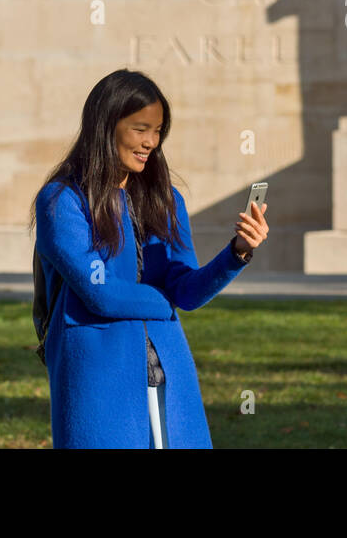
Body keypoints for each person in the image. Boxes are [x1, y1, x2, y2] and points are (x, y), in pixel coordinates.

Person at [30, 69, 268, 448]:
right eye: (141, 129)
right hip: (98, 375)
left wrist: (237, 252)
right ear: (106, 124)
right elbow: (101, 294)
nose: (151, 143)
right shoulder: (62, 201)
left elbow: (187, 291)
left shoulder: (167, 200)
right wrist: (165, 302)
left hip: (169, 369)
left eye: (158, 132)